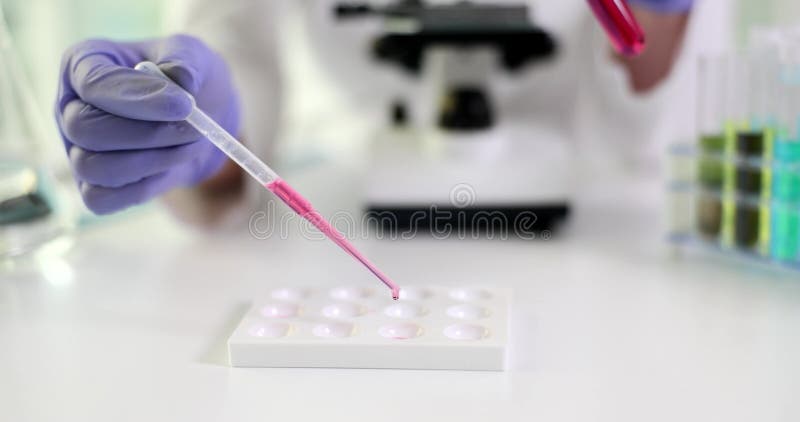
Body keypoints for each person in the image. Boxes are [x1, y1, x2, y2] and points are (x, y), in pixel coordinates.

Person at [55, 0, 702, 226]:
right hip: (359, 186)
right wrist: (199, 130)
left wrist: (658, 19)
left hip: (597, 200)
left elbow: (657, 110)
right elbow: (236, 37)